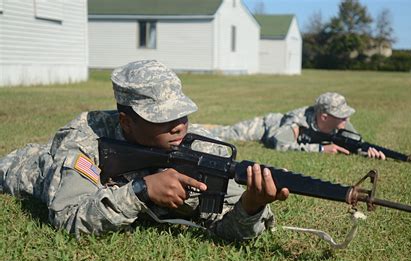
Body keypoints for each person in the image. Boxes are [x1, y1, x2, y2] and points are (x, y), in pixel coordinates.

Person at [0, 60, 289, 240]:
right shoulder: (84, 140)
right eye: (162, 118)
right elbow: (69, 219)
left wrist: (252, 206)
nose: (179, 127)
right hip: (23, 166)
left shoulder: (197, 146)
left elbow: (227, 229)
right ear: (126, 122)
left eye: (182, 114)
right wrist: (141, 191)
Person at [205, 92, 386, 159]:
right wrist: (321, 150)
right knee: (226, 133)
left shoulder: (340, 123)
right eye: (341, 115)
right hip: (266, 127)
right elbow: (278, 143)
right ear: (324, 117)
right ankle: (199, 127)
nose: (346, 119)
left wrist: (367, 150)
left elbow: (355, 142)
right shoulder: (297, 121)